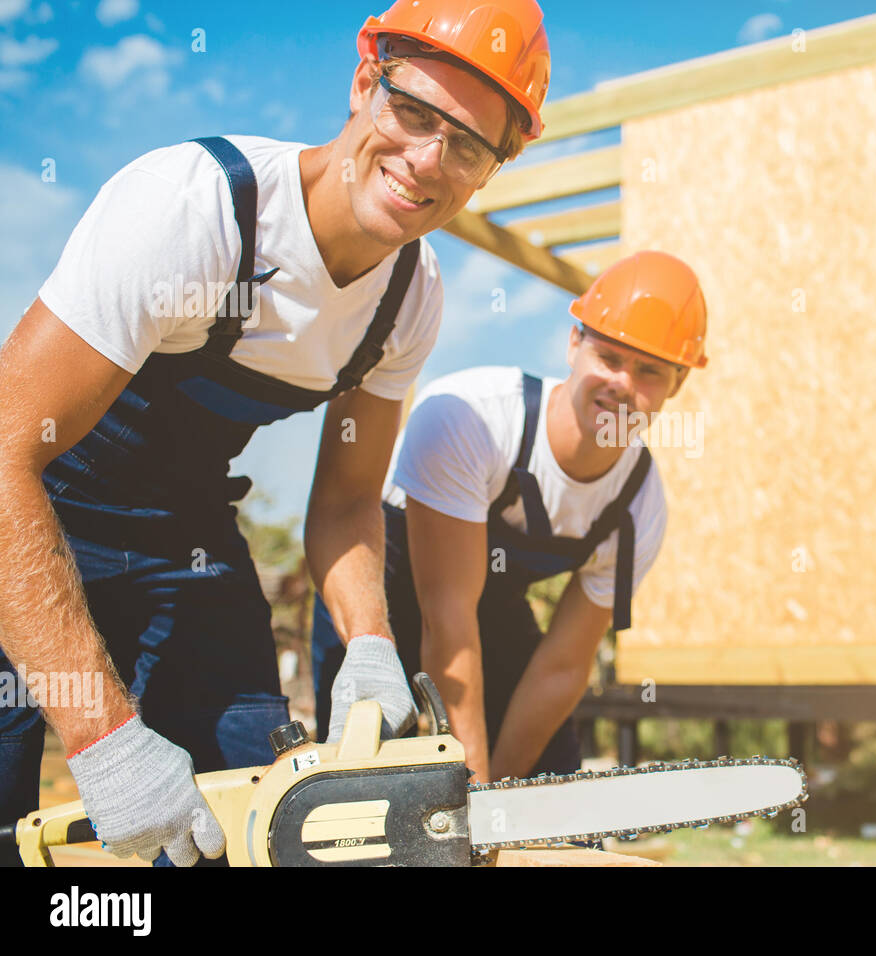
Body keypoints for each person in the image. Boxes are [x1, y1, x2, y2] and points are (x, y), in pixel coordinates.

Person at [0, 0, 550, 867]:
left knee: (265, 806)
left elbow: (345, 500)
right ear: (365, 82)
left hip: (187, 535)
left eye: (470, 145)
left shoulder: (410, 297)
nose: (427, 160)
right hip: (34, 514)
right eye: (413, 112)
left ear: (492, 168)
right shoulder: (195, 211)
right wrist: (103, 737)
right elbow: (2, 457)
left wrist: (369, 641)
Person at [312, 251, 708, 784]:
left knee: (548, 787)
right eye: (610, 357)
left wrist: (505, 798)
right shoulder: (470, 418)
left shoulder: (639, 506)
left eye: (650, 371)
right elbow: (446, 619)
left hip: (490, 611)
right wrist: (472, 786)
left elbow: (563, 665)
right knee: (366, 792)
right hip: (384, 598)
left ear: (677, 385)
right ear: (574, 344)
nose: (622, 383)